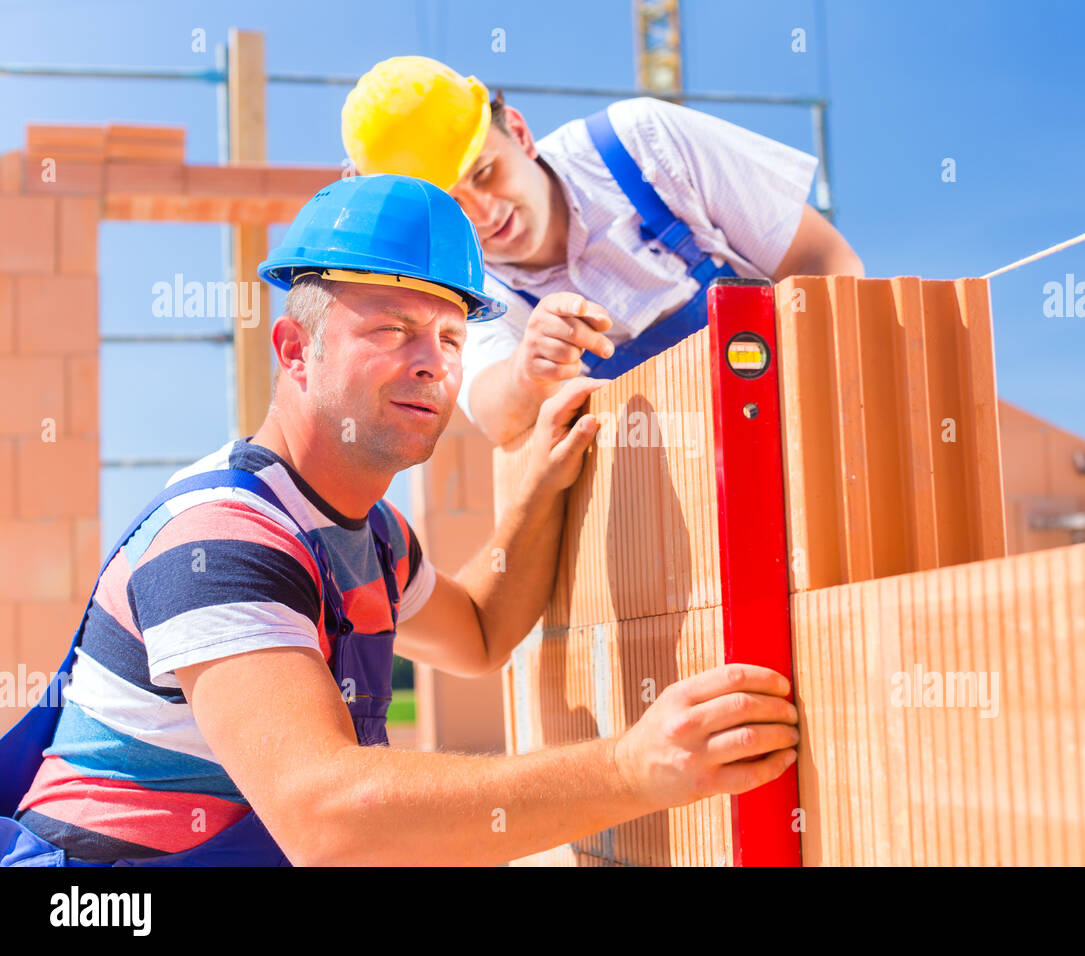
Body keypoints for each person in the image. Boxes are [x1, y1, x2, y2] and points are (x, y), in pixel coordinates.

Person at [0, 174, 799, 867]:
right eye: (391, 331)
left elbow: (480, 631)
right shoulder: (222, 540)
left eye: (450, 337)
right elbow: (326, 815)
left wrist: (536, 492)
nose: (432, 363)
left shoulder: (370, 535)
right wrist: (631, 770)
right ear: (295, 349)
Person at [342, 55, 864, 445]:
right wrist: (528, 371)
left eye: (485, 173)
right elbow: (498, 418)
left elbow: (825, 263)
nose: (483, 213)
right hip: (674, 489)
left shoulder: (642, 145)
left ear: (519, 133)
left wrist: (815, 412)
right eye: (452, 207)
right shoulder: (463, 288)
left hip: (800, 414)